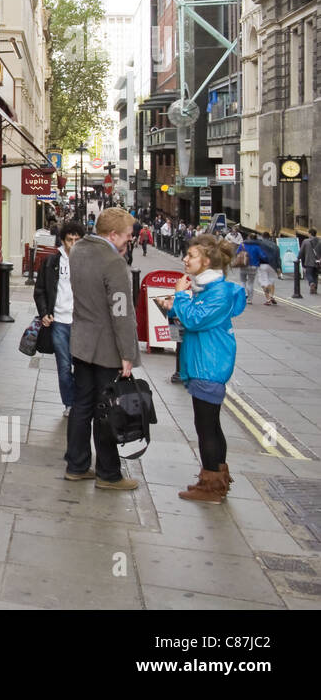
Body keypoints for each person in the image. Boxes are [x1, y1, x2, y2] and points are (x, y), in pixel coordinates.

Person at [155, 235, 246, 503]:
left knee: (206, 426)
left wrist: (180, 296)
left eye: (191, 256)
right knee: (211, 425)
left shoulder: (218, 293)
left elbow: (195, 320)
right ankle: (216, 477)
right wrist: (174, 306)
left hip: (210, 366)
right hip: (203, 364)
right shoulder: (205, 290)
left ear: (206, 261)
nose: (185, 259)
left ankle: (211, 487)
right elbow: (190, 317)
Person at [64, 207, 143, 490]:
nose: (129, 241)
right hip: (107, 348)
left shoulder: (80, 250)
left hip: (82, 342)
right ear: (112, 234)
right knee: (107, 409)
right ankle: (109, 474)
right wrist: (128, 354)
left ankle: (76, 465)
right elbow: (121, 312)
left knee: (81, 405)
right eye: (127, 236)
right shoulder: (113, 263)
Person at [35, 221, 86, 418]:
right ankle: (70, 403)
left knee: (81, 367)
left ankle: (81, 402)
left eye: (77, 240)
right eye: (69, 240)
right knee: (64, 367)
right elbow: (39, 290)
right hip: (59, 323)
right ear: (63, 240)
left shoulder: (87, 263)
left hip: (81, 323)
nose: (73, 244)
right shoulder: (51, 262)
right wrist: (44, 313)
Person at [301, 228, 320, 295]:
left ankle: (311, 283)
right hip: (317, 262)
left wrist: (298, 258)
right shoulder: (319, 241)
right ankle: (315, 289)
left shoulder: (306, 241)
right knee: (315, 275)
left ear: (310, 234)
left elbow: (301, 251)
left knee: (308, 274)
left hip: (309, 261)